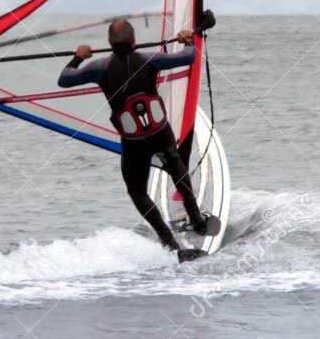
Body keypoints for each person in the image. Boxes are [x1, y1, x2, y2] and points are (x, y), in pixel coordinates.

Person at [57, 18, 220, 260]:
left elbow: (65, 79)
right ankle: (196, 219)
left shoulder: (99, 67)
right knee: (175, 163)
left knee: (137, 192)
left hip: (134, 141)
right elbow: (189, 57)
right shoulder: (151, 59)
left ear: (110, 44)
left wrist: (80, 56)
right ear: (134, 41)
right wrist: (188, 40)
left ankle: (169, 242)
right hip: (159, 131)